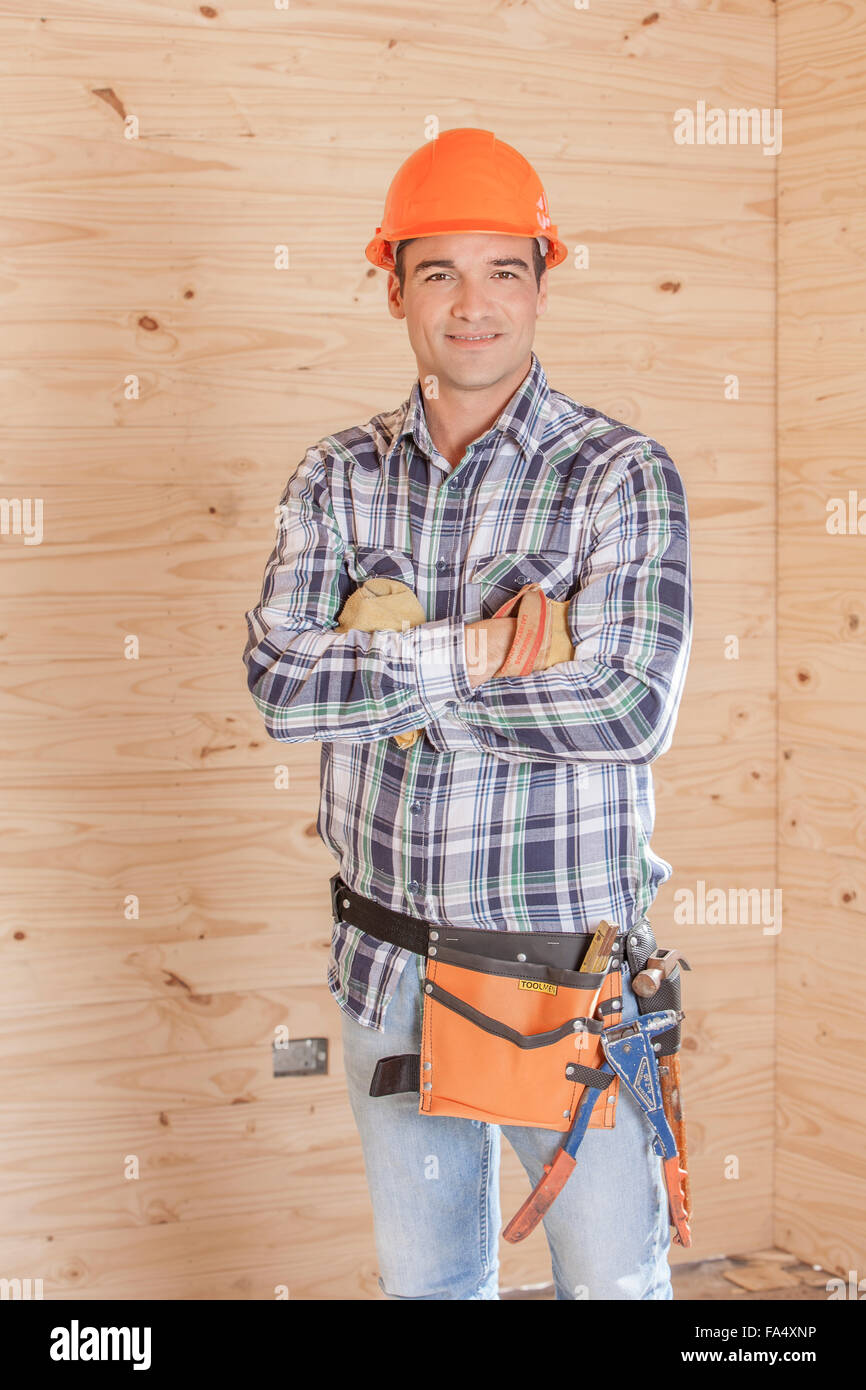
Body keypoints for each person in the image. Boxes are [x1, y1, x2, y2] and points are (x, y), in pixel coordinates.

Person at [243, 127, 693, 1300]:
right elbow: (283, 685)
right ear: (394, 285)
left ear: (542, 281)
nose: (471, 304)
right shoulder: (337, 476)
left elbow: (626, 704)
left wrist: (397, 690)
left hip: (565, 975)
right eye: (437, 271)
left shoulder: (616, 474)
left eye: (502, 269)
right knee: (430, 1287)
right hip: (384, 967)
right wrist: (485, 652)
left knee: (612, 1285)